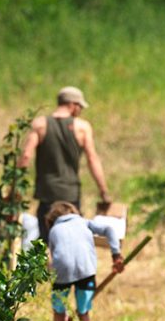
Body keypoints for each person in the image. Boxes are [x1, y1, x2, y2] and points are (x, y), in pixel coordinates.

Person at [19, 86, 112, 238]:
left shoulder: (40, 125)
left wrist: (15, 188)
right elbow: (92, 159)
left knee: (44, 241)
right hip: (70, 195)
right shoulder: (82, 127)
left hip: (46, 193)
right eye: (80, 107)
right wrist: (103, 191)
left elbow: (26, 156)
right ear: (73, 105)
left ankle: (46, 261)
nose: (80, 111)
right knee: (71, 237)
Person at [46, 202, 123, 321]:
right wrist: (116, 254)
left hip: (61, 272)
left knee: (59, 313)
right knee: (84, 313)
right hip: (85, 270)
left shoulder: (54, 230)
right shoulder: (83, 222)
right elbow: (109, 230)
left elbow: (52, 259)